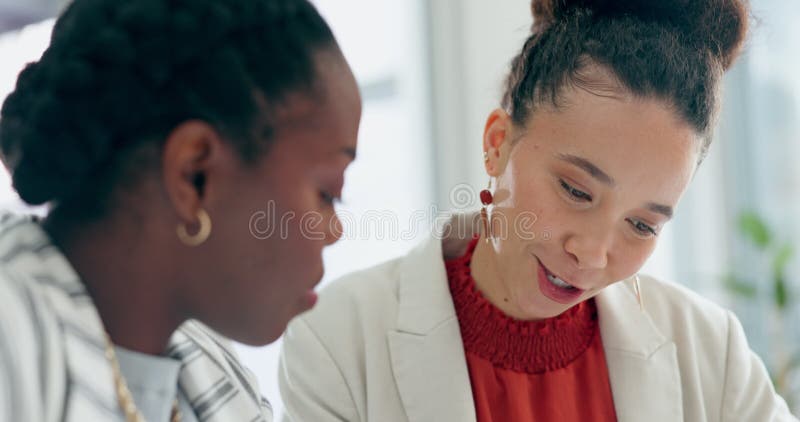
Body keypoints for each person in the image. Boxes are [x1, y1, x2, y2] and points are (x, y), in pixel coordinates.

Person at [278, 0, 799, 421]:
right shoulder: (339, 339)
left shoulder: (713, 352)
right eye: (576, 191)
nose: (591, 254)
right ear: (498, 143)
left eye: (642, 224)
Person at [0, 0, 360, 420]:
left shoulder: (209, 369)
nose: (334, 231)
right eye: (328, 193)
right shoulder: (12, 339)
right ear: (194, 176)